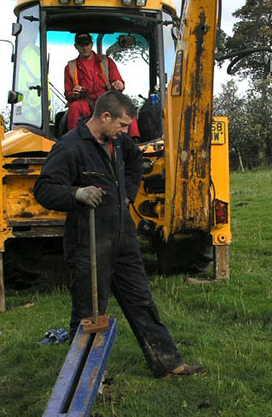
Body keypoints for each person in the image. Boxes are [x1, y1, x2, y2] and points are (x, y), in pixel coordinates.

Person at [33, 91, 203, 380]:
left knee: (141, 302)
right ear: (105, 117)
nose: (126, 132)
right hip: (89, 240)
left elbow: (136, 162)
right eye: (123, 125)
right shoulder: (71, 146)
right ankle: (87, 378)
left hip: (122, 237)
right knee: (89, 312)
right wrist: (76, 193)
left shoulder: (120, 143)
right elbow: (44, 189)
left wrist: (128, 192)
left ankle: (168, 365)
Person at [64, 33, 140, 138]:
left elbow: (119, 83)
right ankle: (73, 140)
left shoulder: (106, 61)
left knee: (126, 105)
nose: (85, 47)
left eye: (87, 44)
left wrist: (119, 84)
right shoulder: (70, 67)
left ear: (91, 44)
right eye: (81, 45)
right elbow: (68, 93)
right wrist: (74, 93)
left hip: (106, 100)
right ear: (76, 46)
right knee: (74, 107)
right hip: (85, 101)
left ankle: (134, 139)